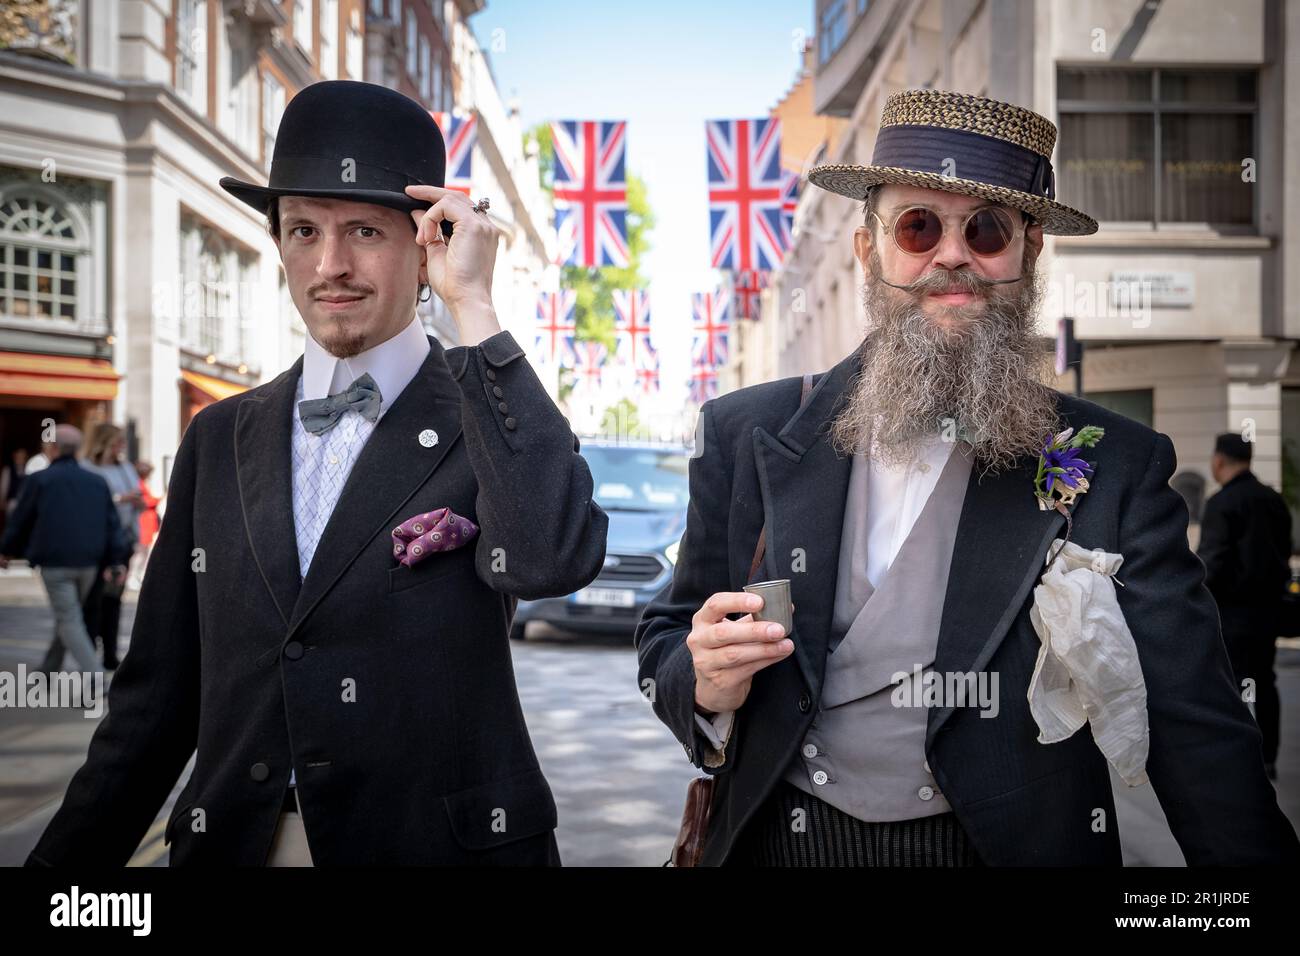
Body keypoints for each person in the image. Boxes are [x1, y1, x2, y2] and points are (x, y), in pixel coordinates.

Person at [637, 89, 1299, 866]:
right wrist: (706, 684)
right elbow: (666, 639)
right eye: (919, 226)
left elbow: (1196, 727)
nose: (951, 255)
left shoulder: (1112, 464)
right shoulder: (746, 432)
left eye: (985, 229)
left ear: (1029, 254)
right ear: (868, 250)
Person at [26, 80, 607, 867]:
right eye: (303, 230)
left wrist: (473, 304)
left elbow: (550, 558)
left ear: (426, 242)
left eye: (364, 230)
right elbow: (154, 703)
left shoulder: (486, 416)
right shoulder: (219, 436)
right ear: (278, 246)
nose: (331, 266)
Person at [1197, 433, 1292, 781]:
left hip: (1231, 613)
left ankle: (1234, 759)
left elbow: (1213, 563)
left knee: (1228, 686)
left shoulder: (1223, 503)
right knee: (1264, 682)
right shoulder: (1274, 501)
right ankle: (1267, 758)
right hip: (1267, 612)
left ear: (1219, 461)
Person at [0, 425, 130, 675]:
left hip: (55, 562)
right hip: (89, 563)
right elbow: (111, 524)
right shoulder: (96, 481)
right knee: (69, 615)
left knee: (69, 617)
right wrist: (115, 560)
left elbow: (21, 519)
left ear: (54, 448)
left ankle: (94, 676)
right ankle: (48, 670)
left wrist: (6, 549)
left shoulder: (39, 480)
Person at [76, 423, 141, 670]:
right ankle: (91, 655)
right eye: (117, 442)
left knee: (114, 600)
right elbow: (88, 501)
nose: (121, 447)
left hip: (121, 542)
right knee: (93, 602)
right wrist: (121, 499)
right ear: (104, 442)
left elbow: (136, 493)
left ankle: (110, 654)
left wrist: (136, 500)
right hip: (96, 542)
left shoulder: (124, 467)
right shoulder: (87, 467)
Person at [129, 460, 161, 590]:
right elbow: (145, 502)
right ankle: (132, 577)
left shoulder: (141, 483)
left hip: (147, 521)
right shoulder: (139, 484)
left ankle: (135, 576)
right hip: (144, 521)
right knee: (140, 551)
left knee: (143, 551)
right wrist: (159, 499)